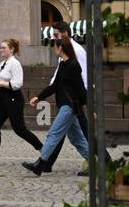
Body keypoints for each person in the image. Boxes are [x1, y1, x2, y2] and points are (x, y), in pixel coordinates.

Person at [23, 37, 89, 177]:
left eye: (55, 46)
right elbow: (54, 86)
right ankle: (98, 165)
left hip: (70, 106)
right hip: (66, 106)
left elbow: (81, 89)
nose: (54, 49)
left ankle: (40, 164)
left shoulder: (73, 65)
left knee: (53, 133)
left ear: (61, 48)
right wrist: (39, 97)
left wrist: (90, 107)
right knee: (78, 140)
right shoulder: (63, 65)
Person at [0, 38, 42, 166]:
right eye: (0, 47)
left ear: (11, 49)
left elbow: (18, 83)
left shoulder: (15, 63)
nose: (1, 50)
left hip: (13, 99)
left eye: (4, 48)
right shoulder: (3, 63)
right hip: (2, 98)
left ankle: (44, 150)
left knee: (20, 129)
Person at [42, 21, 89, 175]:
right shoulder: (64, 56)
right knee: (75, 136)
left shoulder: (76, 51)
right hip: (68, 99)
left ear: (65, 33)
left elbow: (82, 78)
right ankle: (45, 163)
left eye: (56, 35)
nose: (54, 39)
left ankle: (43, 163)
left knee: (81, 134)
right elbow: (58, 79)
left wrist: (85, 102)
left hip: (74, 100)